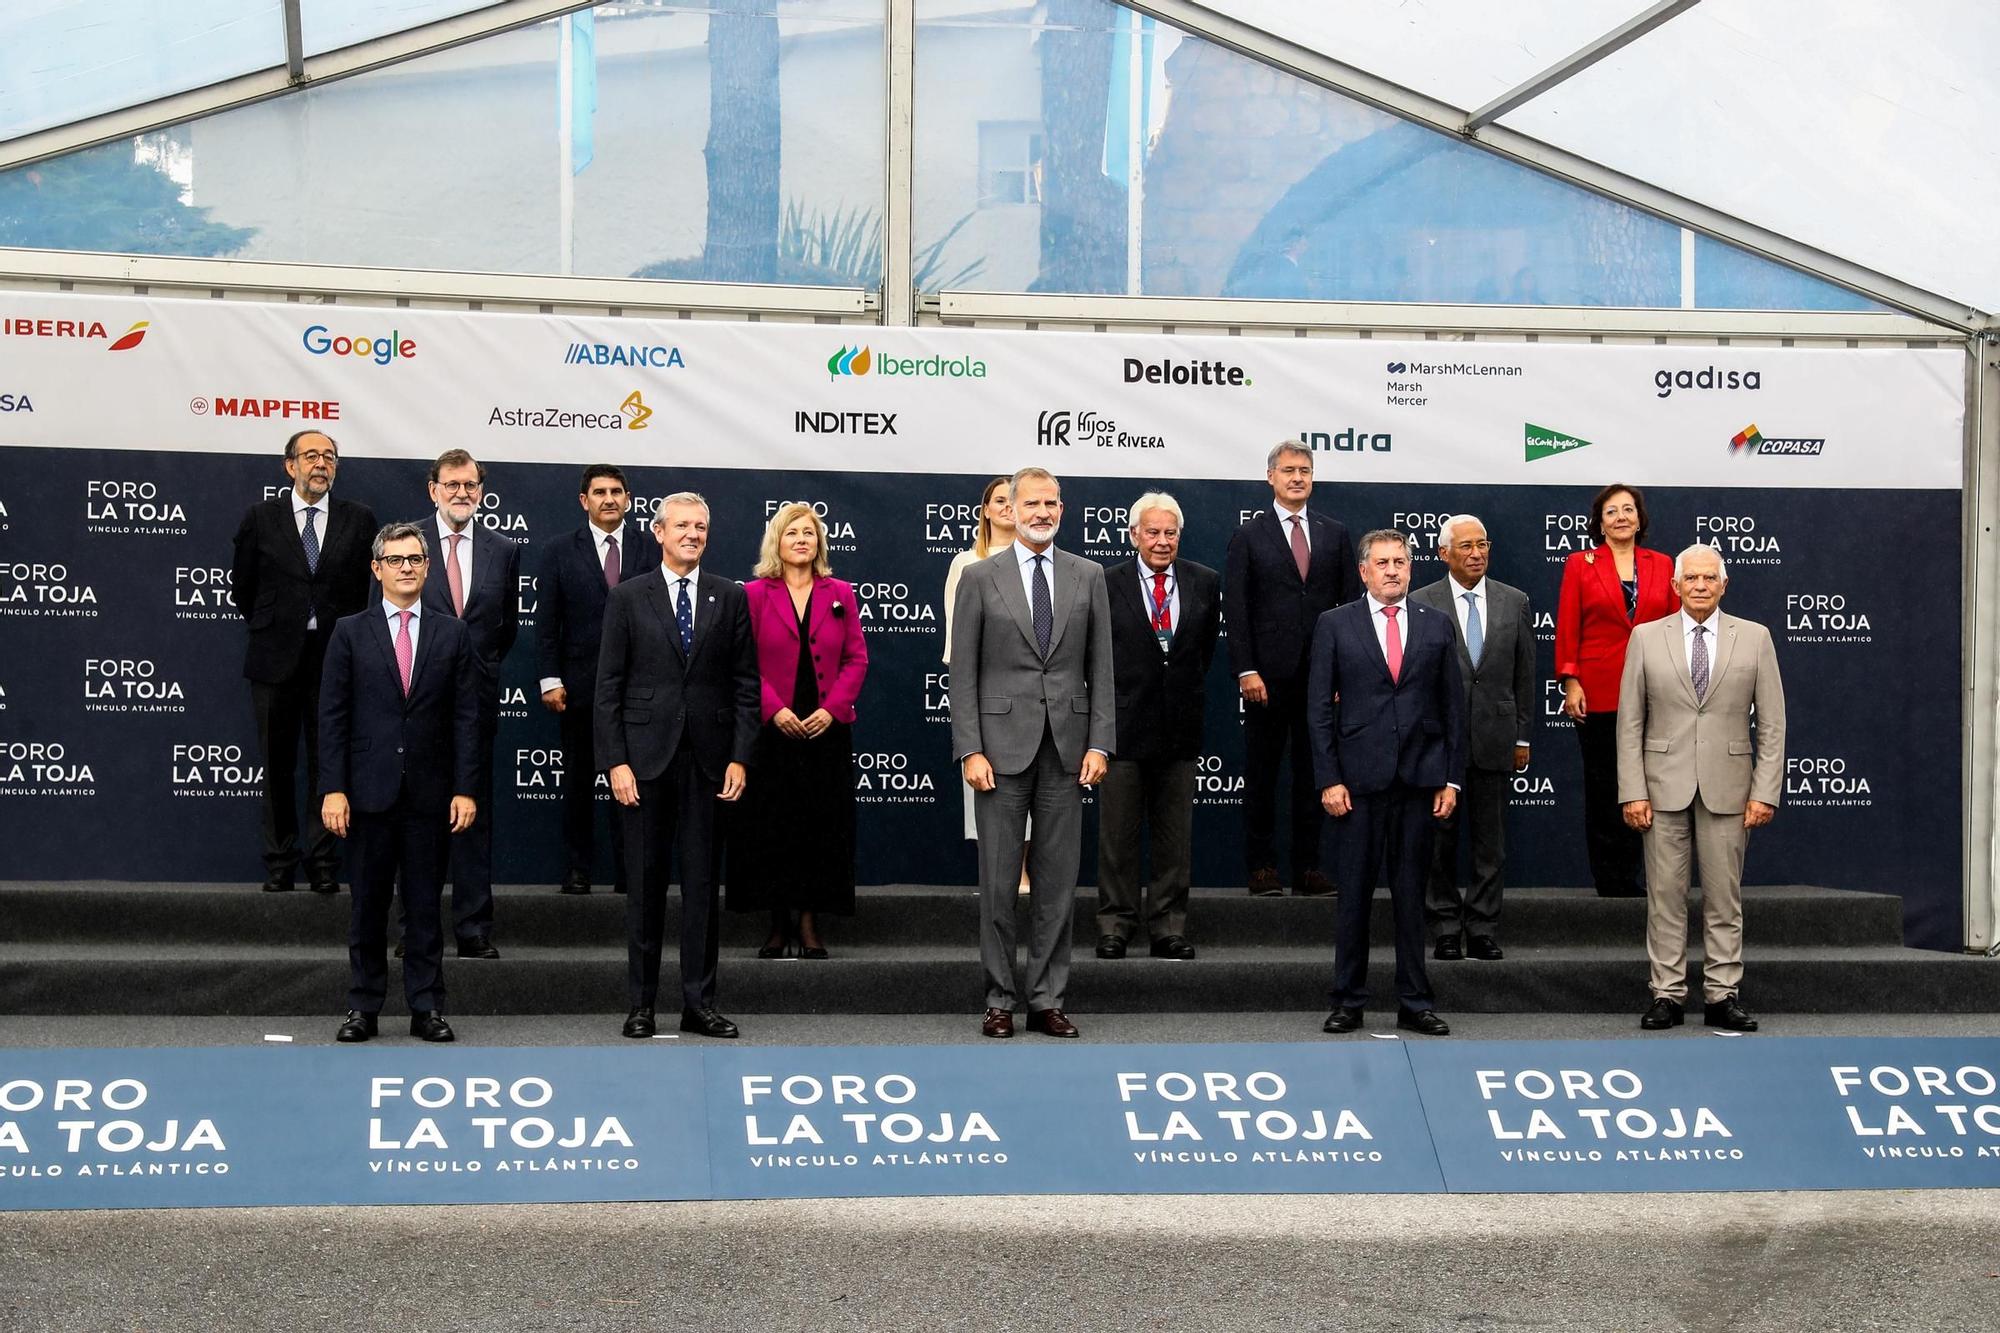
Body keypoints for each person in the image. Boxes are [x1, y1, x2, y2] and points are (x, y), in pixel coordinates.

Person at [950, 467, 1114, 1039]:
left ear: (1061, 510)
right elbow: (962, 673)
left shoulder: (1088, 575)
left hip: (1068, 751)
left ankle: (1047, 1000)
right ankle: (998, 999)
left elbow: (1102, 668)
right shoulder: (978, 576)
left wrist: (1100, 741)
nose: (1042, 513)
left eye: (1051, 503)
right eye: (1032, 504)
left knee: (1057, 886)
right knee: (999, 887)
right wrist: (970, 749)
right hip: (998, 753)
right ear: (1011, 510)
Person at [597, 493, 760, 1040]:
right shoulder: (627, 596)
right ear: (659, 532)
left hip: (709, 763)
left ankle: (699, 1004)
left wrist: (740, 756)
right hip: (643, 763)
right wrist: (615, 762)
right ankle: (641, 1005)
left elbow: (745, 684)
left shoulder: (729, 596)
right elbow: (608, 687)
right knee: (645, 889)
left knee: (701, 889)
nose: (692, 534)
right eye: (682, 526)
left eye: (701, 527)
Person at [318, 523, 481, 1044]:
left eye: (414, 559)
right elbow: (333, 716)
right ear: (377, 568)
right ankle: (362, 1007)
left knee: (425, 907)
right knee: (367, 906)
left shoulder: (452, 634)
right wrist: (333, 788)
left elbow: (467, 718)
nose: (405, 567)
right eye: (395, 559)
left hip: (431, 795)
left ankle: (426, 1007)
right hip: (367, 793)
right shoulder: (349, 631)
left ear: (428, 567)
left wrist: (465, 788)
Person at [1617, 544, 1785, 1033]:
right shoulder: (1645, 637)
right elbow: (1630, 722)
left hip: (1729, 788)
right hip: (1660, 787)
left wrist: (1764, 791)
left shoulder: (1755, 637)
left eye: (1709, 578)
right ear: (1675, 585)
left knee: (1724, 900)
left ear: (1724, 585)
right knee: (1665, 898)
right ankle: (1666, 995)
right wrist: (1633, 790)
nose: (1700, 586)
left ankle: (1722, 995)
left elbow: (1772, 724)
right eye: (1691, 578)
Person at [1308, 530, 1464, 1037]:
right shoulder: (1335, 624)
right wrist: (1329, 778)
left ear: (1411, 568)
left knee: (1411, 898)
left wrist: (1451, 779)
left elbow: (1453, 708)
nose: (1392, 570)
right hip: (1357, 784)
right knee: (1353, 897)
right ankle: (1347, 1001)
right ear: (1364, 571)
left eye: (1400, 561)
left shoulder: (1436, 625)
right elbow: (1318, 710)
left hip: (1420, 782)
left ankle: (1415, 1002)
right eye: (1382, 563)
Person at [230, 430, 377, 895]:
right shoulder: (260, 518)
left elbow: (367, 590)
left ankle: (323, 862)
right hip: (274, 659)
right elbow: (243, 588)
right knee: (276, 763)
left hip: (335, 659)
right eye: (310, 456)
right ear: (289, 466)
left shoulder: (359, 519)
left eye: (329, 457)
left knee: (327, 762)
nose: (321, 464)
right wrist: (278, 625)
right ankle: (279, 861)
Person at [728, 503, 869, 958]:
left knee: (820, 826)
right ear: (777, 541)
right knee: (773, 825)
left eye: (809, 533)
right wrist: (773, 709)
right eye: (792, 533)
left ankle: (808, 924)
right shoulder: (754, 594)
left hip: (825, 729)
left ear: (819, 542)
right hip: (772, 731)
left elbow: (856, 658)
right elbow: (742, 661)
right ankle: (777, 924)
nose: (801, 540)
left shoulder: (840, 592)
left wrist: (832, 709)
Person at [1224, 440, 1359, 897]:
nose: (1297, 477)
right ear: (1271, 478)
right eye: (1288, 470)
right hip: (1265, 679)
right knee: (1262, 777)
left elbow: (1350, 607)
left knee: (1313, 774)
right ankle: (1262, 868)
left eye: (1304, 470)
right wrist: (1246, 669)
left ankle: (1308, 868)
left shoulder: (1334, 532)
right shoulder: (1249, 535)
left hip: (1320, 678)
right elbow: (1236, 609)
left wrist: (1342, 673)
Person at [1094, 491, 1221, 962]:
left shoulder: (1205, 581)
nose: (1162, 541)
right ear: (1134, 535)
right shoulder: (1106, 583)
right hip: (1123, 727)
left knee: (1174, 839)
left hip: (1180, 727)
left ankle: (1168, 927)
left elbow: (1202, 653)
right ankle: (1115, 926)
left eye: (1170, 533)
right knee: (1118, 837)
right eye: (1152, 532)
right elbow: (1096, 655)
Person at [1410, 515, 1533, 962]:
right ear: (1443, 553)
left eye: (1482, 544)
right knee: (1438, 842)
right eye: (1466, 546)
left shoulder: (1514, 600)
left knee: (1490, 844)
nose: (1477, 553)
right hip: (1438, 742)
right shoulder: (1420, 602)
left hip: (1496, 737)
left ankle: (1482, 928)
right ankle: (1444, 927)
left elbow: (1525, 674)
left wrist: (1523, 736)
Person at [412, 449, 519, 959]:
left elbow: (506, 628)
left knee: (473, 813)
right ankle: (416, 928)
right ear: (433, 489)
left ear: (481, 491)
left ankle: (473, 927)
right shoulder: (405, 543)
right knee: (416, 819)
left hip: (476, 701)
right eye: (452, 484)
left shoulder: (504, 550)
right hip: (413, 701)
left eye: (470, 485)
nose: (461, 493)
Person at [535, 464, 657, 895]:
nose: (609, 499)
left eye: (616, 491)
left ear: (628, 500)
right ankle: (577, 870)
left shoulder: (651, 547)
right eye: (600, 492)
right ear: (584, 500)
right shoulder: (557, 550)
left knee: (635, 783)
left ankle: (630, 872)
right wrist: (549, 679)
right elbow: (546, 623)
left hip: (639, 689)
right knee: (577, 782)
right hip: (578, 687)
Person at [1554, 483, 1678, 897]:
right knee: (1605, 784)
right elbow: (1568, 624)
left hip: (1657, 691)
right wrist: (1571, 680)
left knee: (1654, 784)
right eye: (1612, 511)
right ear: (1600, 523)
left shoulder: (1663, 564)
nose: (1621, 516)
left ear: (1640, 519)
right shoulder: (1579, 564)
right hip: (1599, 690)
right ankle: (1611, 878)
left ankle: (1648, 875)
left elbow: (1676, 626)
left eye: (1628, 509)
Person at [943, 477, 1030, 878]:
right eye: (1000, 500)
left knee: (1033, 785)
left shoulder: (1038, 562)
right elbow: (956, 639)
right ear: (986, 511)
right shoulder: (965, 564)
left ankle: (1023, 870)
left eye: (1014, 499)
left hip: (1031, 693)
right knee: (984, 781)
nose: (1008, 506)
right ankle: (997, 872)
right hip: (982, 695)